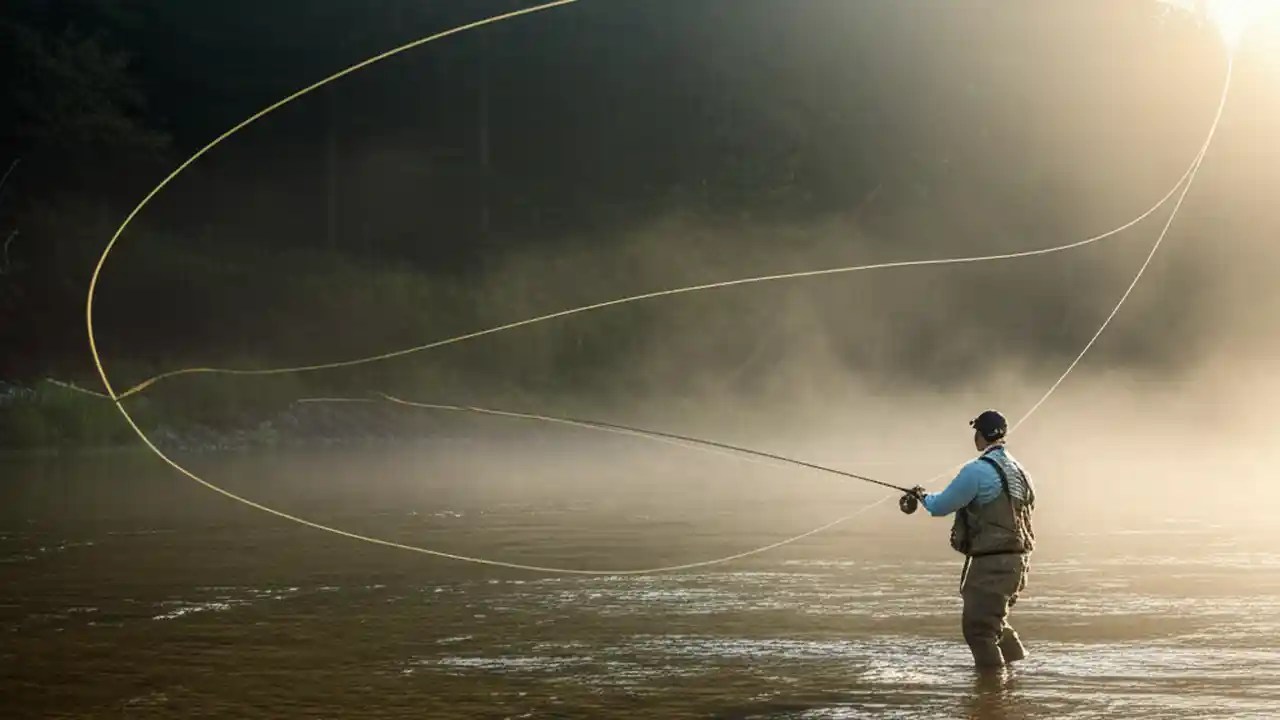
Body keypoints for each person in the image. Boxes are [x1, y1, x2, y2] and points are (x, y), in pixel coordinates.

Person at [910, 410, 1037, 670]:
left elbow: (940, 506)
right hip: (1018, 563)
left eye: (976, 432)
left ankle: (993, 697)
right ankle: (1018, 680)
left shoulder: (977, 471)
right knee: (994, 625)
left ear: (980, 435)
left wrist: (922, 496)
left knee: (979, 632)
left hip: (992, 564)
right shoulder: (1020, 470)